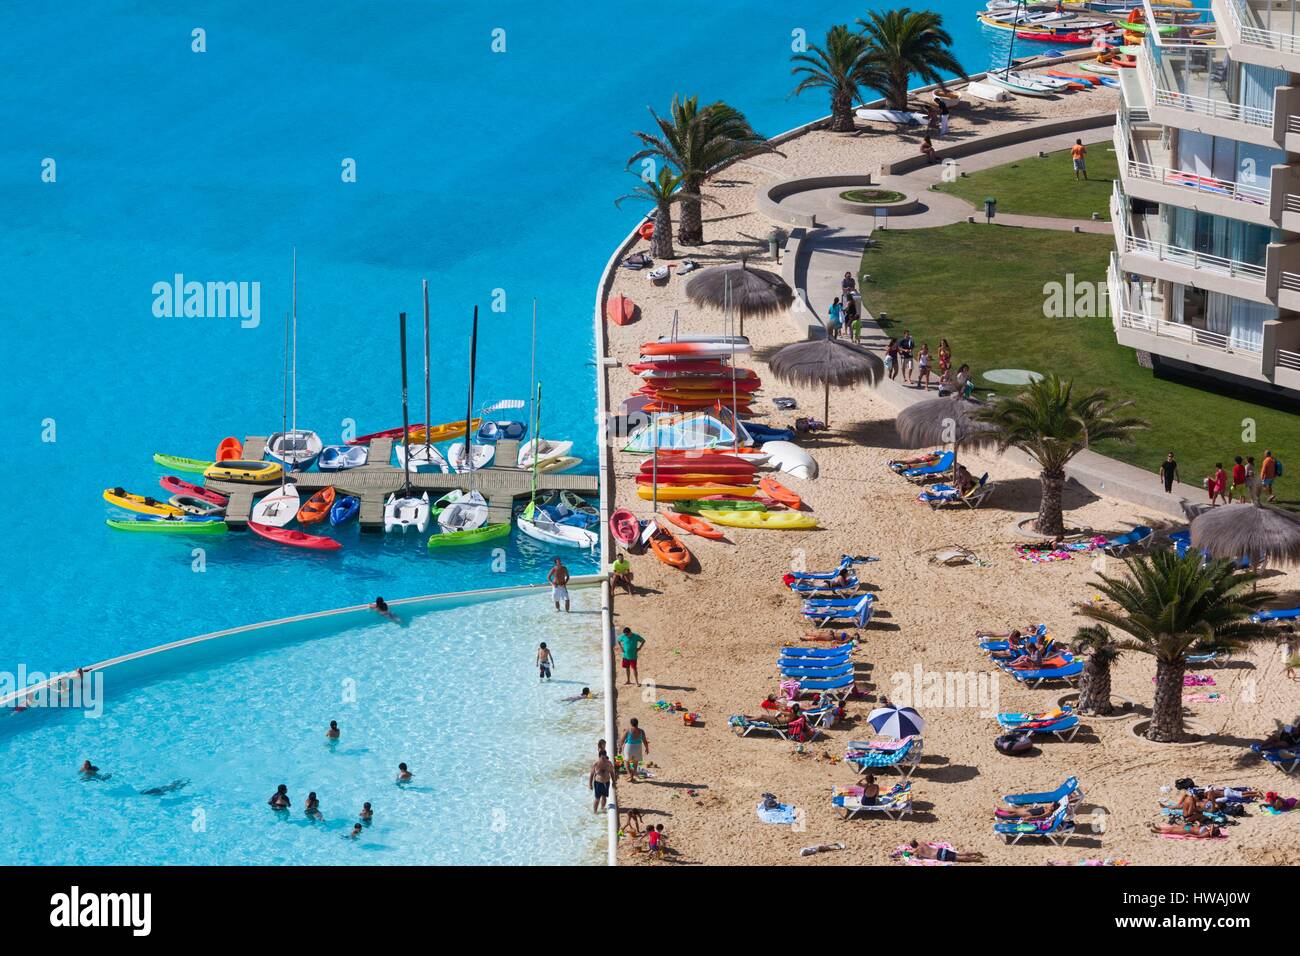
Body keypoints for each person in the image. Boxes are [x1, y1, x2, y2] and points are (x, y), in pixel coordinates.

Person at [900, 839, 984, 863]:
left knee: (959, 858)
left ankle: (975, 859)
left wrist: (906, 851)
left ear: (912, 846)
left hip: (940, 856)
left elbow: (907, 853)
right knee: (959, 853)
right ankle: (975, 853)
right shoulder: (922, 843)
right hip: (941, 850)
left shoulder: (916, 850)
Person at [621, 718, 650, 782]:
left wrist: (620, 748)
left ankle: (629, 774)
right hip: (638, 747)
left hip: (629, 747)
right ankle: (634, 773)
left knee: (626, 761)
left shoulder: (628, 730)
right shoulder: (641, 731)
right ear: (637, 723)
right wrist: (647, 748)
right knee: (635, 761)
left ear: (631, 724)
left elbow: (622, 740)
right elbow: (645, 741)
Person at [589, 748, 615, 813]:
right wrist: (590, 784)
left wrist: (613, 782)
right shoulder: (596, 764)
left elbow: (612, 773)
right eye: (602, 758)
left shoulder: (609, 763)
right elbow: (592, 774)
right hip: (598, 783)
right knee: (597, 799)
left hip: (606, 782)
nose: (604, 760)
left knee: (604, 797)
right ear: (599, 757)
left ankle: (602, 808)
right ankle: (595, 812)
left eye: (605, 758)